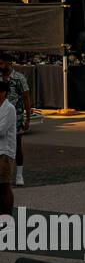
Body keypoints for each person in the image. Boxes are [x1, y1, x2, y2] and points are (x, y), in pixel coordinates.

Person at [0, 55, 30, 187]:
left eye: (1, 63)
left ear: (8, 63)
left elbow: (26, 99)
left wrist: (27, 118)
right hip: (1, 113)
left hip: (15, 116)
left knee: (17, 145)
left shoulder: (19, 78)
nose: (0, 66)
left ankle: (19, 174)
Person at [0, 80, 16, 216]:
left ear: (4, 93)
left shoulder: (9, 108)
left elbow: (1, 130)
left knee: (4, 185)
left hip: (5, 152)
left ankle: (7, 216)